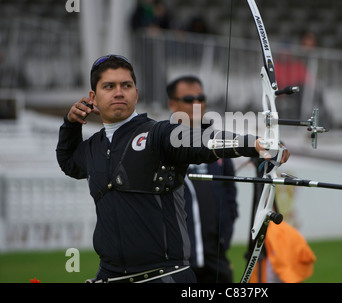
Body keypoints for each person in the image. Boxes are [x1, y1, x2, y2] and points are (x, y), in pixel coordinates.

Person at [56, 54, 289, 283]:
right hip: (110, 276)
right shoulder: (92, 148)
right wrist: (71, 123)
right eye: (109, 86)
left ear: (136, 94)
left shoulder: (159, 133)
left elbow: (202, 141)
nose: (119, 92)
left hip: (164, 276)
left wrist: (254, 144)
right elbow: (68, 162)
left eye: (126, 85)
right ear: (93, 98)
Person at [167, 76, 237, 282]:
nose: (196, 104)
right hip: (175, 259)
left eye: (200, 98)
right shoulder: (162, 144)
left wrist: (223, 240)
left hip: (215, 257)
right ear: (173, 104)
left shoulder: (217, 142)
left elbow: (229, 196)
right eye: (189, 99)